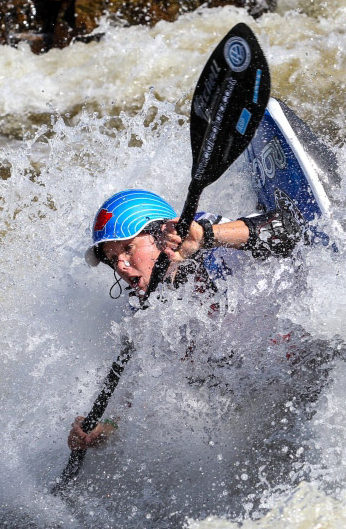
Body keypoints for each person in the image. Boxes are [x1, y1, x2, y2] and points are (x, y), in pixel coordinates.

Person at [68, 188, 302, 451]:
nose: (121, 266)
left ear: (163, 235)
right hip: (263, 390)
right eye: (113, 259)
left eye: (128, 249)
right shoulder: (144, 309)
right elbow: (141, 391)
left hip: (311, 351)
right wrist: (106, 428)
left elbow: (292, 227)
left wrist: (207, 237)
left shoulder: (207, 241)